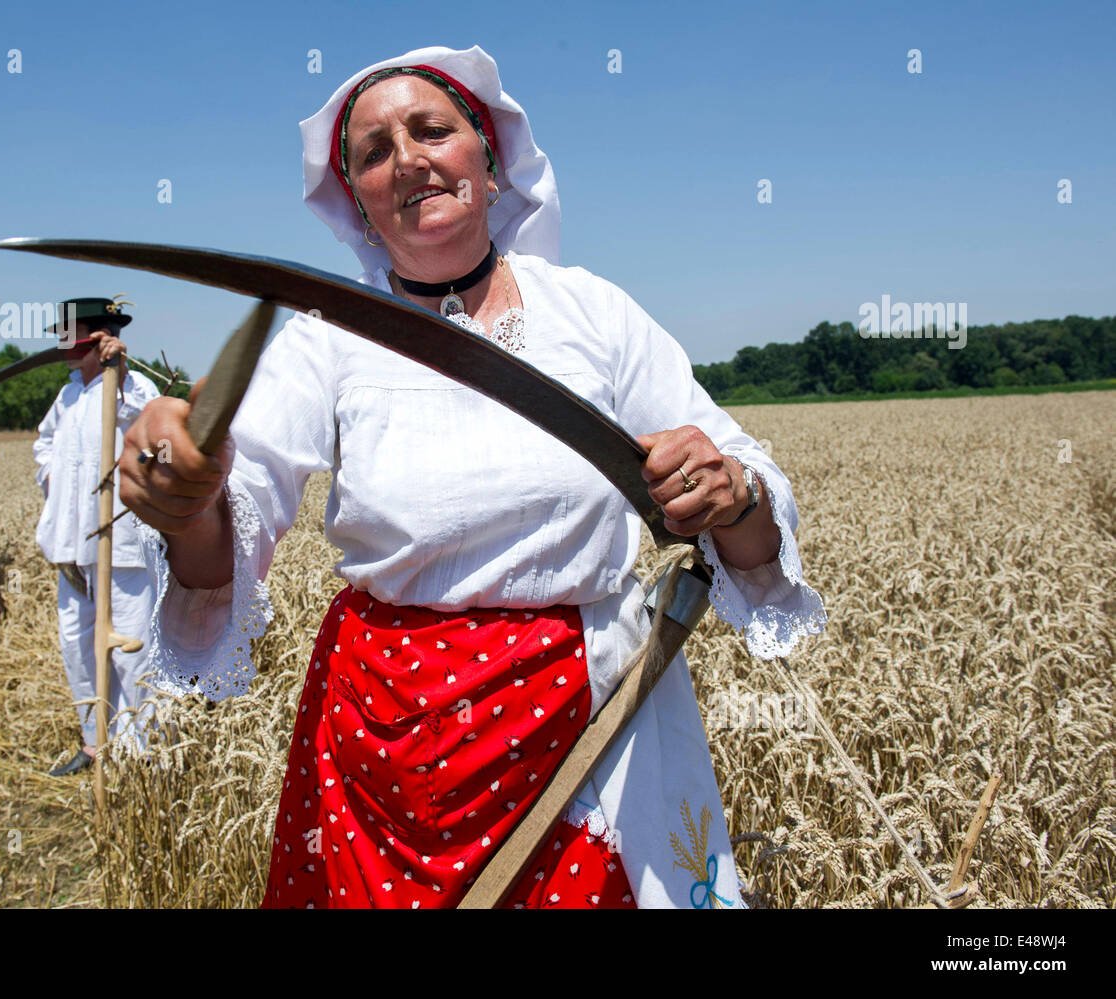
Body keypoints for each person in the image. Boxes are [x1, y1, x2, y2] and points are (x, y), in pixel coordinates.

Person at [120, 46, 827, 908]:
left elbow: (749, 523)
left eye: (432, 130)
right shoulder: (323, 340)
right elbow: (234, 521)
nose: (408, 159)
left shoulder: (592, 313)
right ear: (361, 206)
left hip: (594, 712)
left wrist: (730, 491)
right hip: (389, 740)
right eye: (374, 153)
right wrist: (187, 502)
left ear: (490, 165)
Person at [34, 299, 161, 777]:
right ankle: (95, 742)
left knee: (132, 649)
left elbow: (153, 438)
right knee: (78, 647)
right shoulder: (66, 396)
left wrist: (121, 374)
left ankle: (142, 749)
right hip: (71, 545)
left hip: (122, 545)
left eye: (71, 333)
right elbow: (42, 443)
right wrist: (52, 479)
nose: (62, 343)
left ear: (97, 336)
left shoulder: (133, 387)